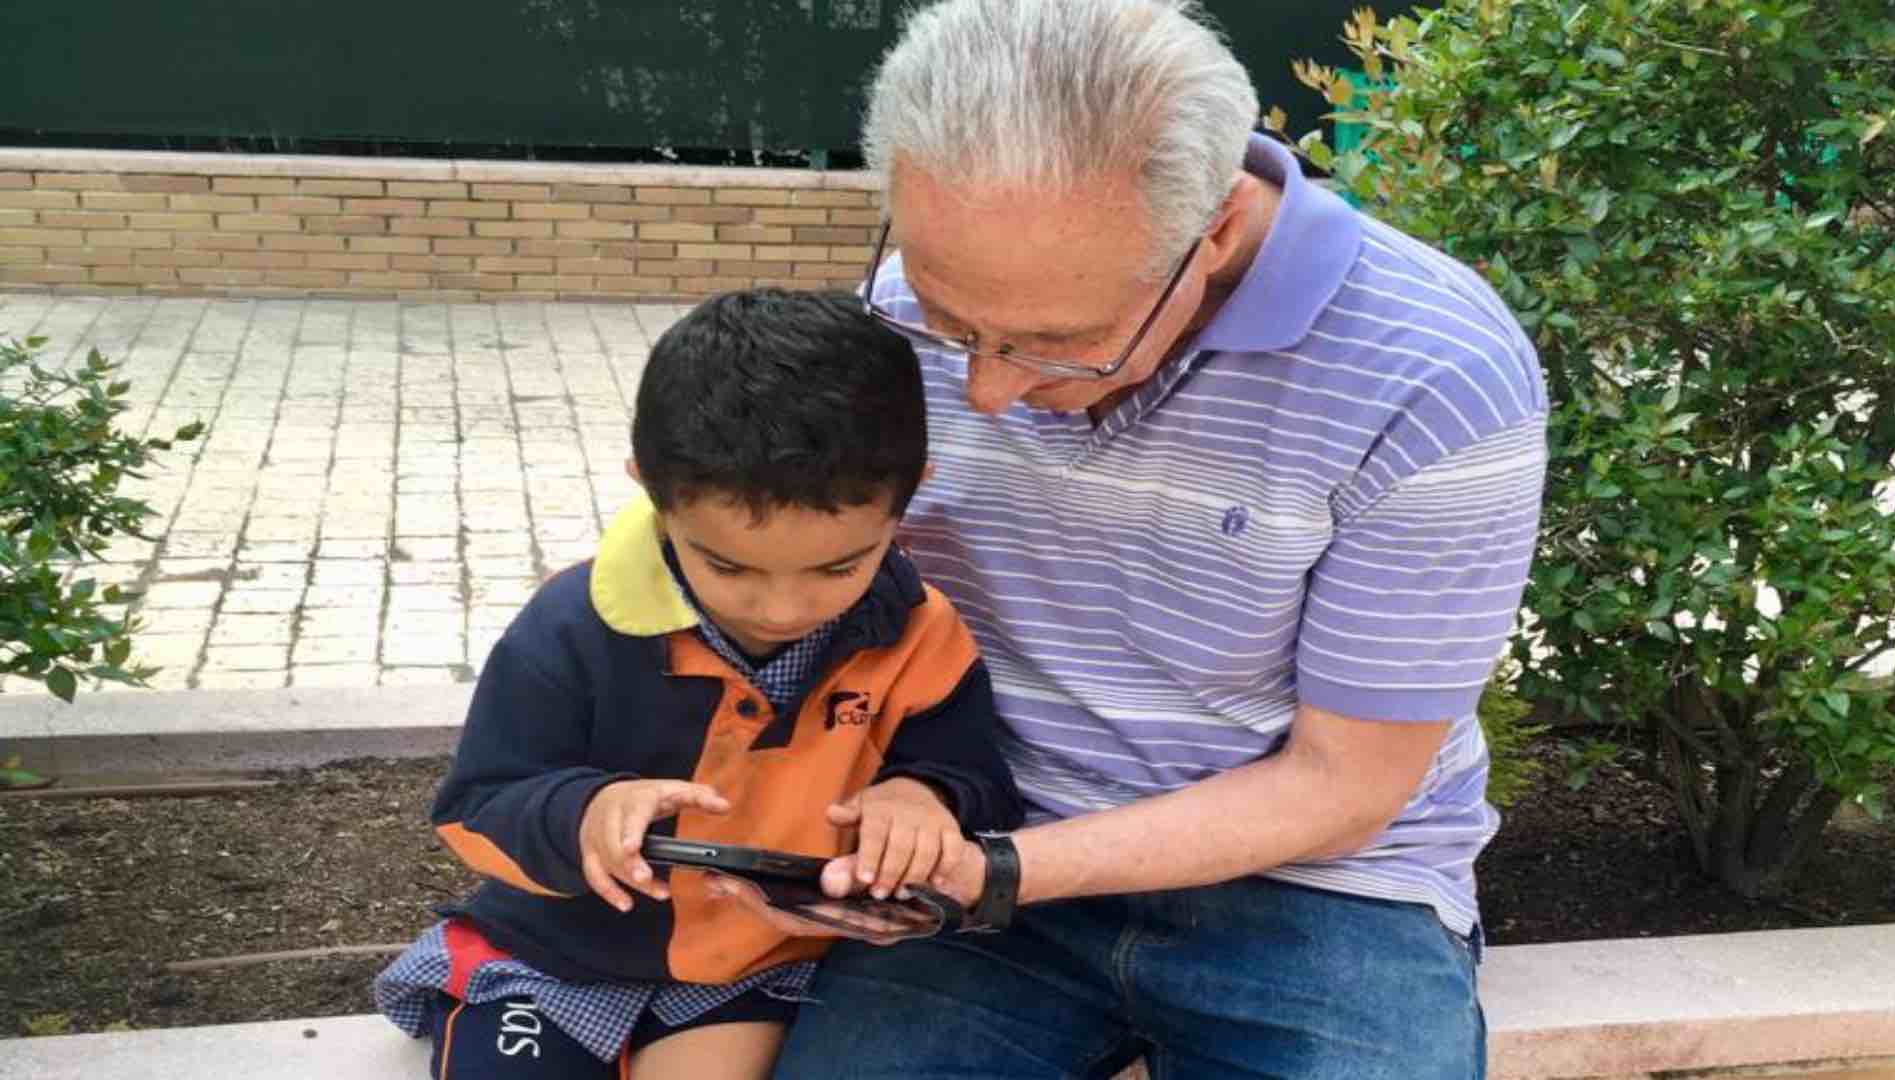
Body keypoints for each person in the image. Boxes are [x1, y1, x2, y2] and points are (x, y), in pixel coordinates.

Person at [768, 1, 1550, 1077]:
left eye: (1058, 345)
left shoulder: (1435, 368)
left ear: (1214, 228)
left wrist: (1003, 871)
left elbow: (1343, 786)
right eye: (949, 323)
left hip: (1317, 892)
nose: (983, 391)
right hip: (975, 833)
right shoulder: (907, 306)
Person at [373, 288, 1023, 1080]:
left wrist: (925, 798)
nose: (782, 609)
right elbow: (477, 805)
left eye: (838, 568)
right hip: (550, 957)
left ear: (909, 494)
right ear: (651, 489)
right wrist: (585, 814)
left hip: (753, 967)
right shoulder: (571, 627)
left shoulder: (923, 634)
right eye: (728, 566)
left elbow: (981, 782)